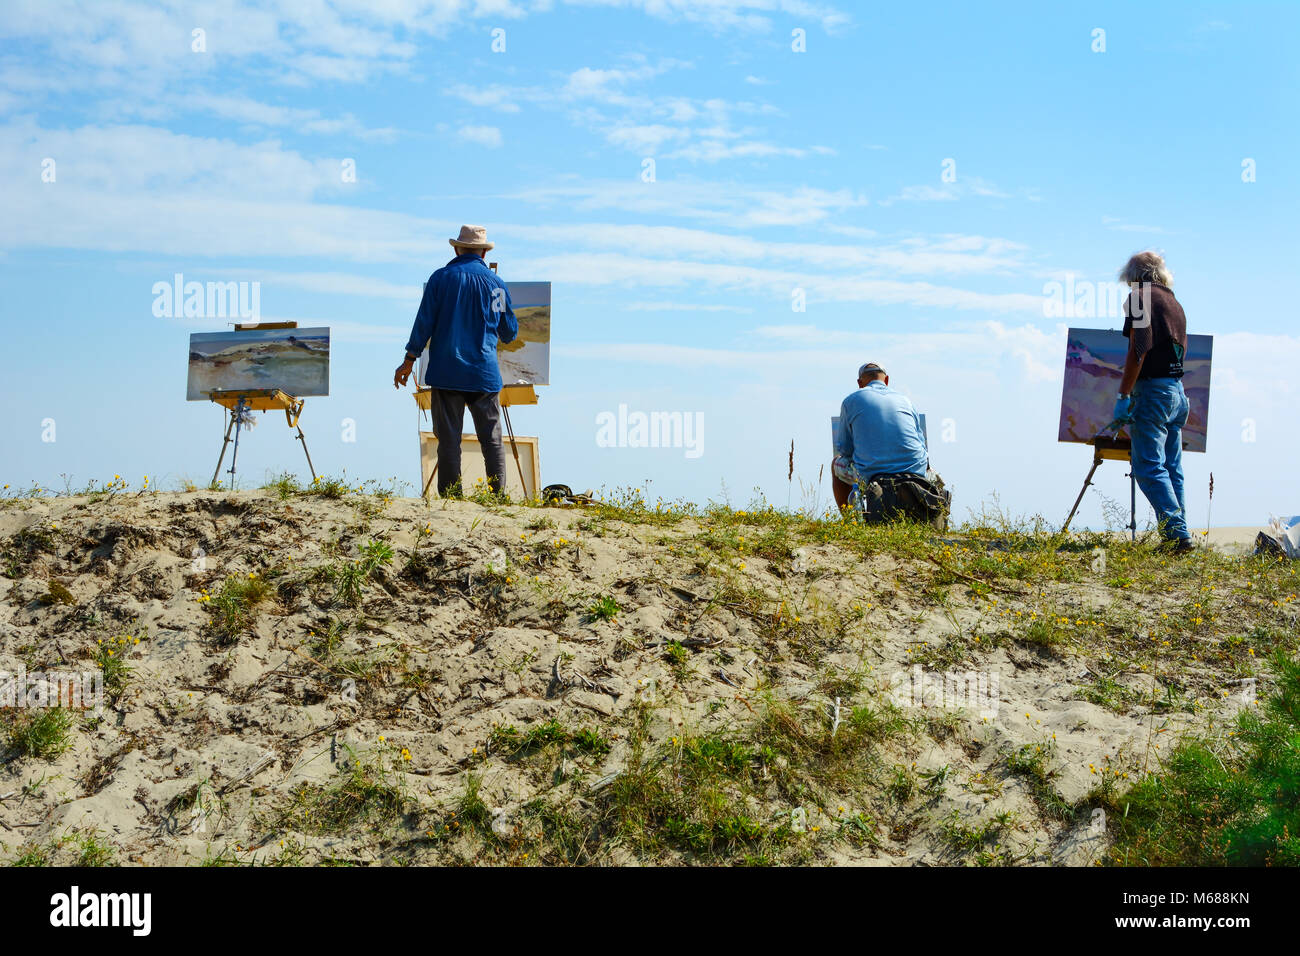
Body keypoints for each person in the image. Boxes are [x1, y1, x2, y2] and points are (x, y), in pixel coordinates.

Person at [394, 225, 518, 497]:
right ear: (484, 252)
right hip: (484, 373)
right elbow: (509, 332)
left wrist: (409, 360)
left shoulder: (440, 279)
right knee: (492, 439)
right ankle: (497, 497)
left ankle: (452, 498)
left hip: (447, 371)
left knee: (449, 440)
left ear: (456, 249)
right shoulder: (496, 285)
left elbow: (423, 323)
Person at [1113, 251, 1192, 552]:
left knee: (1147, 465)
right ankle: (1180, 534)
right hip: (1176, 392)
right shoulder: (1174, 302)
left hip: (1154, 393)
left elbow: (1138, 350)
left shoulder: (1139, 297)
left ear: (1133, 276)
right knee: (1171, 468)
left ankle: (1176, 535)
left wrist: (1123, 395)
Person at [832, 362, 948, 525]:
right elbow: (923, 447)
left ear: (860, 383)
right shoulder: (906, 401)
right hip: (916, 474)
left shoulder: (850, 401)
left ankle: (851, 523)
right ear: (886, 380)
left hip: (872, 475)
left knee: (835, 463)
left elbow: (845, 450)